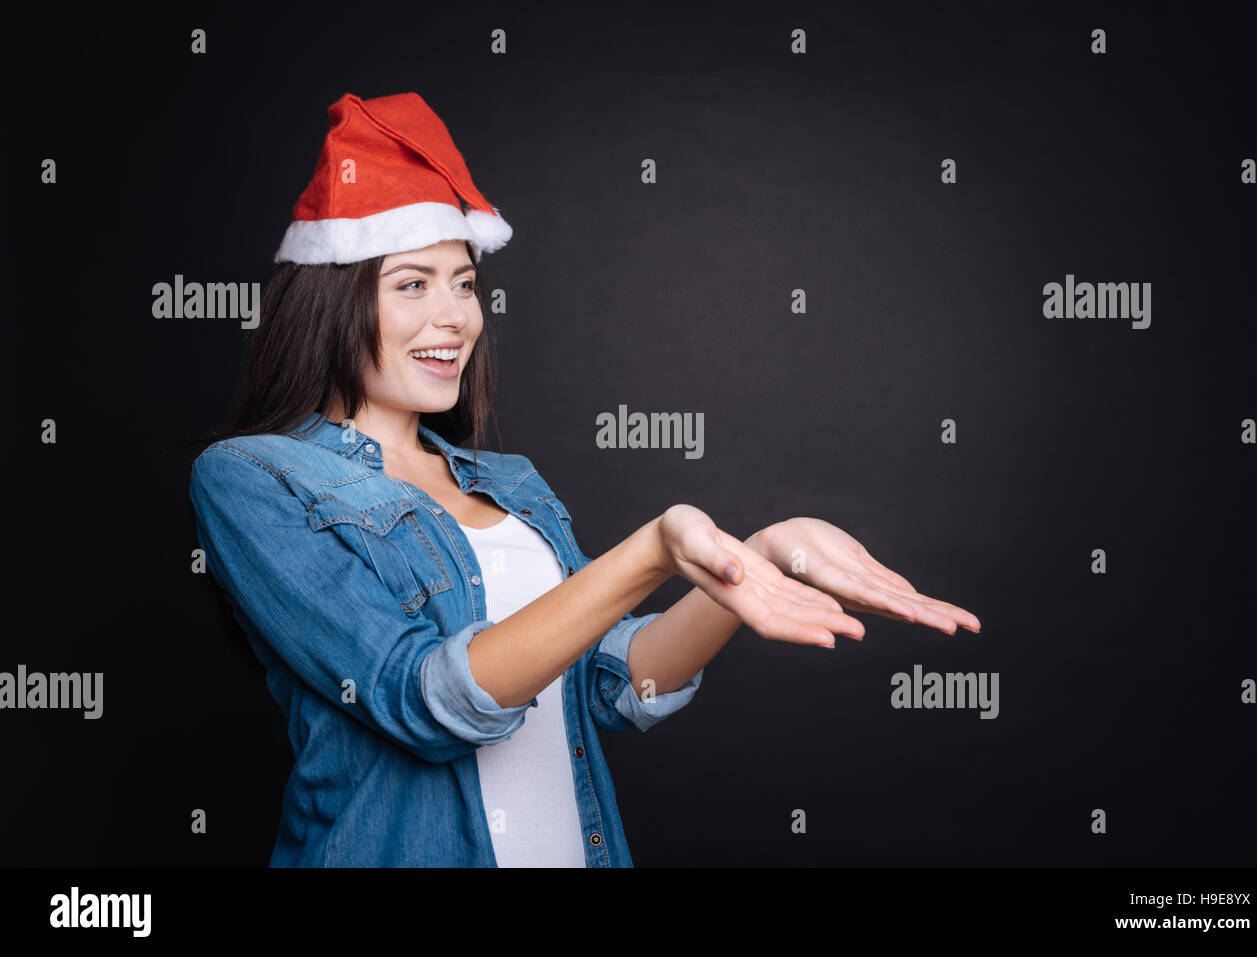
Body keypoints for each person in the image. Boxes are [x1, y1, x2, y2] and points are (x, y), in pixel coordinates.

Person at [188, 91, 980, 867]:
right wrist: (649, 552)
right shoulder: (252, 478)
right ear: (329, 302)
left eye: (464, 282)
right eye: (412, 283)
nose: (457, 317)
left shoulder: (511, 482)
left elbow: (610, 680)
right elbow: (424, 699)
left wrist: (758, 554)